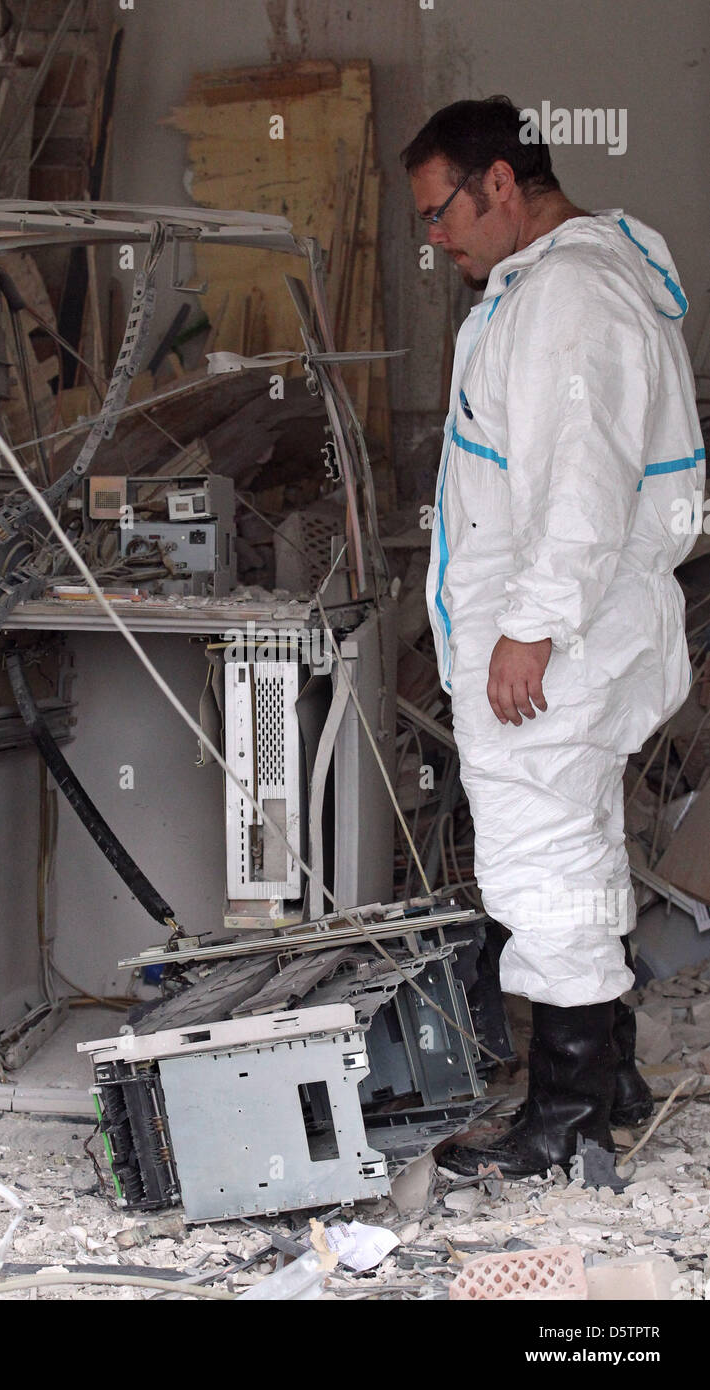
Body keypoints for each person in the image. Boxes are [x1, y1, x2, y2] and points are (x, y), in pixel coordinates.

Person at [402, 96, 704, 1177]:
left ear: (499, 182)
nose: (433, 241)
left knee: (542, 858)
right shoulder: (569, 282)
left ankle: (567, 1116)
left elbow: (581, 483)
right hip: (582, 624)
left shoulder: (568, 294)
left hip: (558, 634)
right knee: (571, 845)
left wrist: (526, 629)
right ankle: (607, 1076)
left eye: (439, 213)